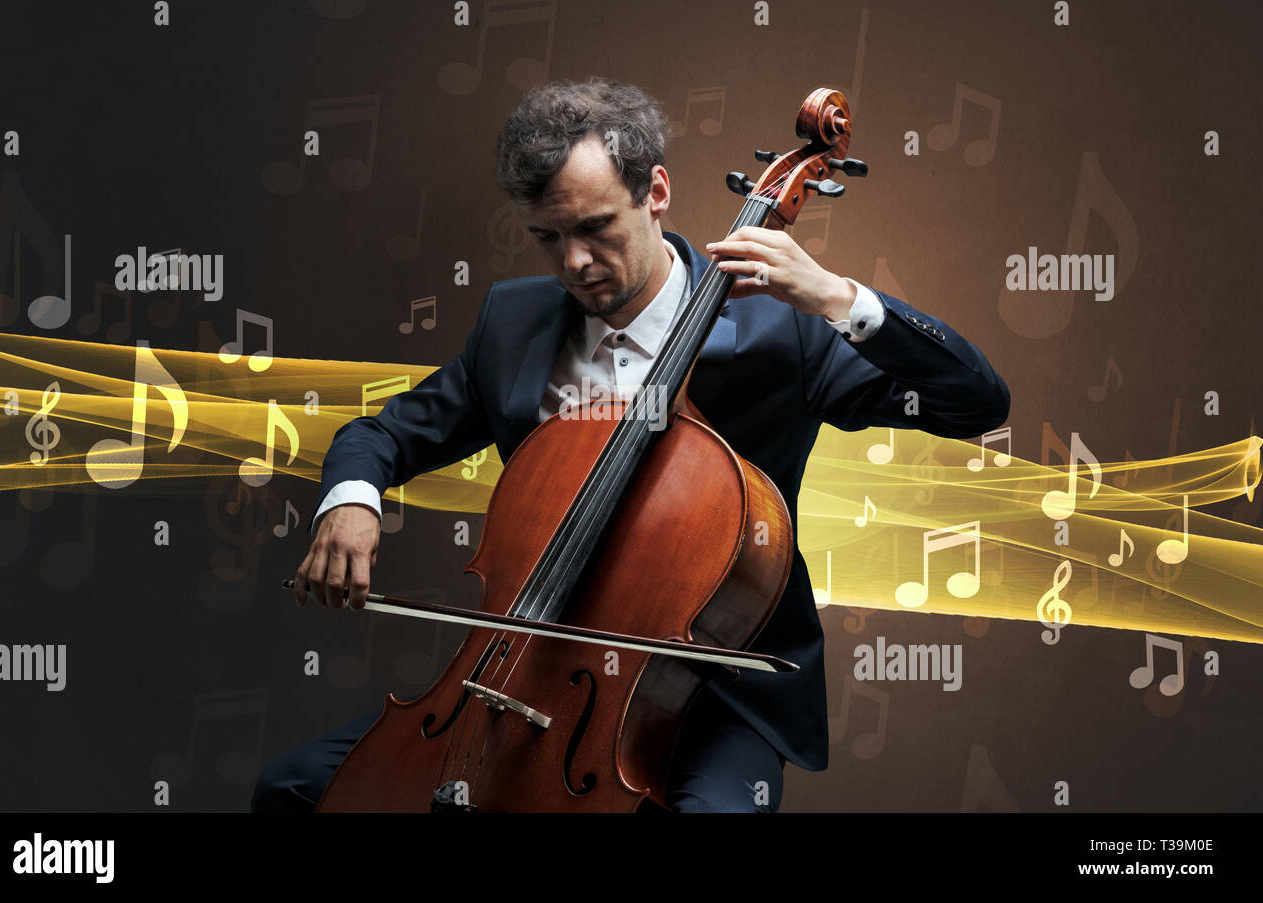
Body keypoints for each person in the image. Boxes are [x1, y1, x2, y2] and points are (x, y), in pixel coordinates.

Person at [252, 76, 1011, 813]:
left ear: (656, 193)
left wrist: (839, 299)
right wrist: (349, 501)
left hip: (706, 692)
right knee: (293, 786)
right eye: (547, 237)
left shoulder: (783, 336)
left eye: (595, 228)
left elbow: (974, 401)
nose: (573, 263)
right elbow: (382, 433)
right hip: (521, 671)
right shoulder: (513, 324)